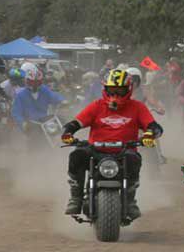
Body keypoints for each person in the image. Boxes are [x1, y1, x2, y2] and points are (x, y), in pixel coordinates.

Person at [61, 67, 162, 220]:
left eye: (120, 90)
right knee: (77, 154)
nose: (115, 94)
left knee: (134, 159)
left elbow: (155, 127)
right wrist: (68, 132)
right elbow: (76, 123)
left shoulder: (138, 107)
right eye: (112, 90)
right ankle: (76, 197)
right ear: (105, 89)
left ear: (128, 89)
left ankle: (129, 201)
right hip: (95, 149)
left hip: (124, 151)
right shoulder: (96, 105)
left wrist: (150, 134)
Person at [8, 63, 66, 131]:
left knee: (63, 125)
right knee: (33, 139)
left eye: (37, 82)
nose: (35, 85)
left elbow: (53, 95)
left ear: (41, 82)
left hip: (45, 121)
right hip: (30, 125)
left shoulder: (44, 90)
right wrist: (22, 122)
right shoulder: (20, 95)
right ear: (27, 81)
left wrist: (62, 101)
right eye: (32, 82)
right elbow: (16, 112)